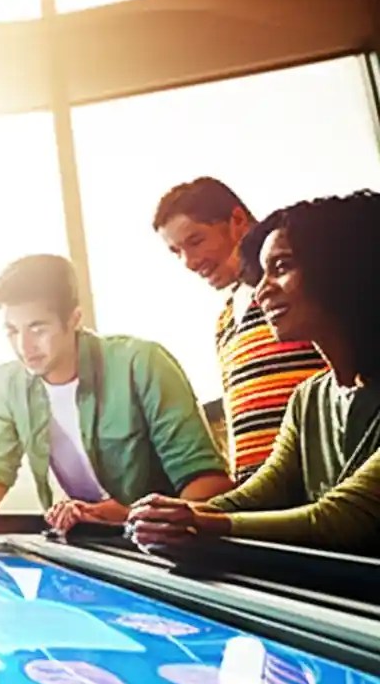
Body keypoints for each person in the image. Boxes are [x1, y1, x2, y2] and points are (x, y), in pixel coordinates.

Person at [0, 255, 232, 537]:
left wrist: (136, 516)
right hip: (90, 544)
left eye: (38, 328)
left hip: (165, 543)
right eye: (12, 331)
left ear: (74, 318)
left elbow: (208, 484)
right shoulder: (6, 384)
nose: (24, 347)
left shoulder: (141, 363)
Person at [129, 190, 380, 554]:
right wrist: (167, 517)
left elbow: (342, 517)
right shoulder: (309, 398)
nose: (262, 291)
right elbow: (265, 490)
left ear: (342, 268)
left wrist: (201, 521)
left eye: (281, 268)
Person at [153, 178, 326, 482]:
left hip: (321, 488)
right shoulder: (226, 322)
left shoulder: (302, 290)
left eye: (195, 241)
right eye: (176, 252)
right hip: (260, 500)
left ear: (237, 220)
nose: (189, 262)